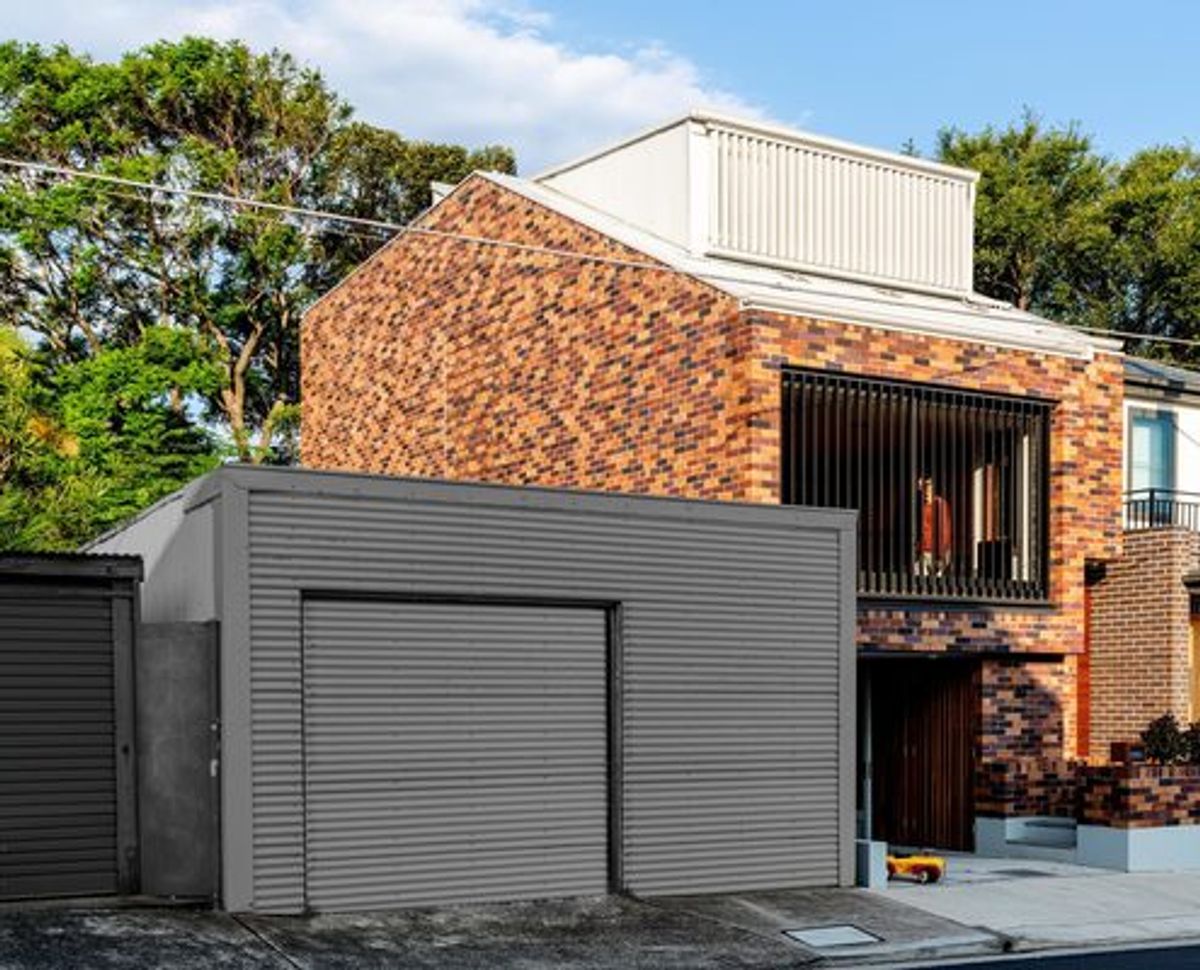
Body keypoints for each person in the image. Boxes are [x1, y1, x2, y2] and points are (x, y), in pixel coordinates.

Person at [916, 477, 952, 577]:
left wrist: (941, 551)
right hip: (922, 549)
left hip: (936, 550)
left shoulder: (940, 504)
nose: (924, 491)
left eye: (927, 487)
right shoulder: (919, 505)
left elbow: (944, 528)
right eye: (921, 488)